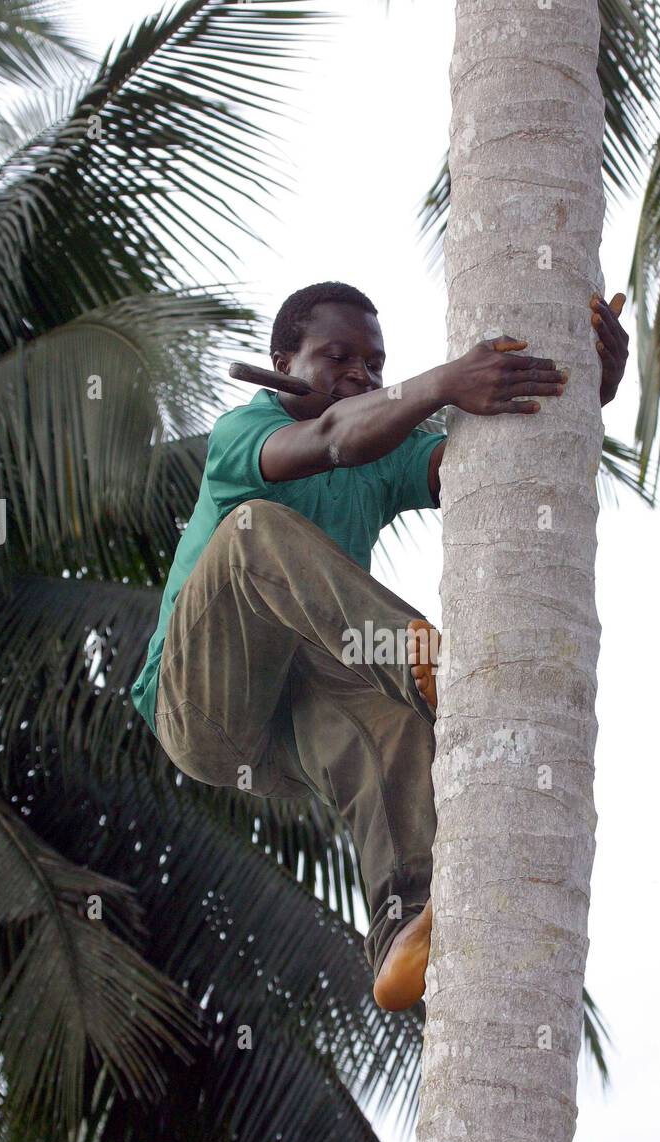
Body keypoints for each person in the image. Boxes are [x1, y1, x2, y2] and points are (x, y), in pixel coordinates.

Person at [131, 281, 629, 1011]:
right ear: (282, 361)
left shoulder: (384, 451)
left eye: (373, 362)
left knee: (392, 723)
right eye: (336, 357)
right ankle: (419, 661)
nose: (359, 374)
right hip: (199, 705)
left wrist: (586, 387)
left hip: (280, 731)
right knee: (251, 534)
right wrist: (440, 383)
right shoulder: (246, 431)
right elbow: (334, 438)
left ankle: (400, 935)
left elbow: (487, 459)